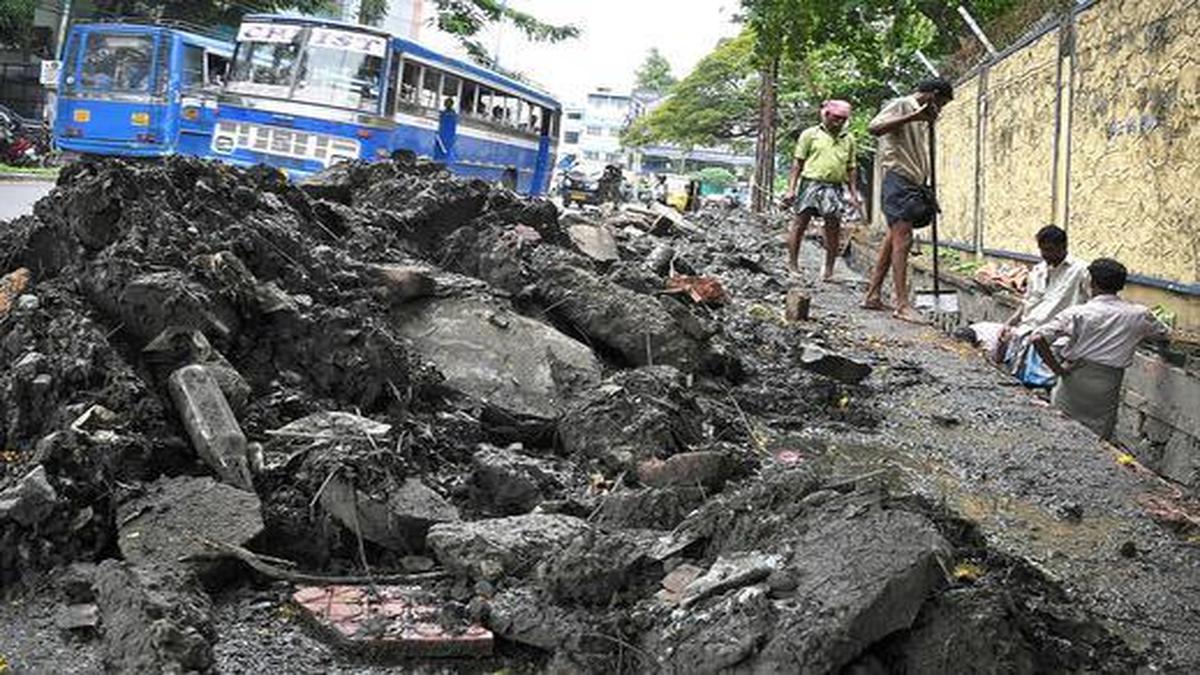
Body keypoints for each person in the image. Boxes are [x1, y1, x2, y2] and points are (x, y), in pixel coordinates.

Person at [1031, 258, 1170, 439]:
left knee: (1060, 434)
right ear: (1120, 286)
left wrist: (1057, 370)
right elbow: (1164, 333)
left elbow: (1037, 337)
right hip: (1107, 385)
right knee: (1099, 441)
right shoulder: (1138, 315)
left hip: (1073, 379)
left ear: (1091, 282)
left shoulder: (1078, 313)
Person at [862, 78, 955, 323]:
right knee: (904, 238)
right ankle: (902, 304)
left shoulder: (921, 115)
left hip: (911, 181)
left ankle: (872, 294)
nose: (941, 110)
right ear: (933, 95)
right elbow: (874, 128)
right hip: (898, 179)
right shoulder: (903, 104)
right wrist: (913, 117)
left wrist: (924, 119)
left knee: (893, 237)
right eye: (941, 103)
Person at [966, 225, 1090, 384]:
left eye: (1050, 250)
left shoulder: (1081, 271)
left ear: (1063, 246)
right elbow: (1027, 303)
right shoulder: (1038, 270)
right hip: (1025, 335)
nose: (1046, 255)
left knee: (1051, 384)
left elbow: (1092, 306)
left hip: (1055, 341)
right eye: (1042, 250)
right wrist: (1009, 323)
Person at [783, 99, 862, 280]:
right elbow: (797, 163)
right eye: (837, 118)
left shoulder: (848, 139)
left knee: (833, 227)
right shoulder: (810, 134)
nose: (840, 122)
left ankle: (828, 269)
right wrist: (791, 189)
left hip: (834, 187)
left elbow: (851, 168)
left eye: (844, 119)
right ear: (826, 115)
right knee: (800, 223)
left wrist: (853, 192)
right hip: (810, 183)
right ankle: (793, 265)